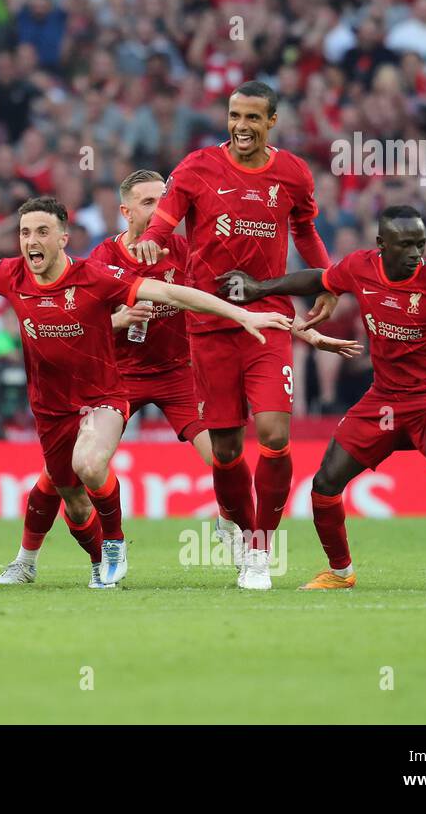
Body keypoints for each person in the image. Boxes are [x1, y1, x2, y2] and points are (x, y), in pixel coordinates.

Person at [0, 196, 294, 588]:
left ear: (62, 238)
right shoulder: (10, 274)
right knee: (71, 497)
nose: (31, 241)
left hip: (103, 397)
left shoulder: (94, 275)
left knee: (91, 464)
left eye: (41, 232)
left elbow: (167, 292)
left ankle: (116, 541)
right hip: (51, 407)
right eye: (24, 233)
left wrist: (240, 313)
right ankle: (92, 561)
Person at [0, 172, 361, 586]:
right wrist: (119, 319)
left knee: (225, 456)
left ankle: (237, 533)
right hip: (116, 377)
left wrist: (304, 331)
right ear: (125, 212)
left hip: (179, 374)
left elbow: (230, 301)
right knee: (59, 474)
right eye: (149, 203)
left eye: (164, 201)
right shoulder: (101, 260)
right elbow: (78, 323)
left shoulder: (187, 251)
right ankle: (26, 559)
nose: (161, 212)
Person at [219, 205, 426, 591]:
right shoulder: (360, 268)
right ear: (382, 245)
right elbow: (321, 278)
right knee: (325, 484)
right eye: (406, 245)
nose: (416, 253)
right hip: (384, 399)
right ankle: (341, 572)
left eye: (421, 244)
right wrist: (261, 288)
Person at [128, 80, 337, 590]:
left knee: (274, 434)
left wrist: (329, 278)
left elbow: (306, 230)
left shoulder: (292, 173)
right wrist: (154, 242)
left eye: (252, 118)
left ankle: (260, 551)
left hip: (268, 319)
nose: (241, 127)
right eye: (234, 116)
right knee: (225, 450)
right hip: (209, 323)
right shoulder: (198, 166)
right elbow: (166, 218)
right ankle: (234, 519)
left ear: (271, 123)